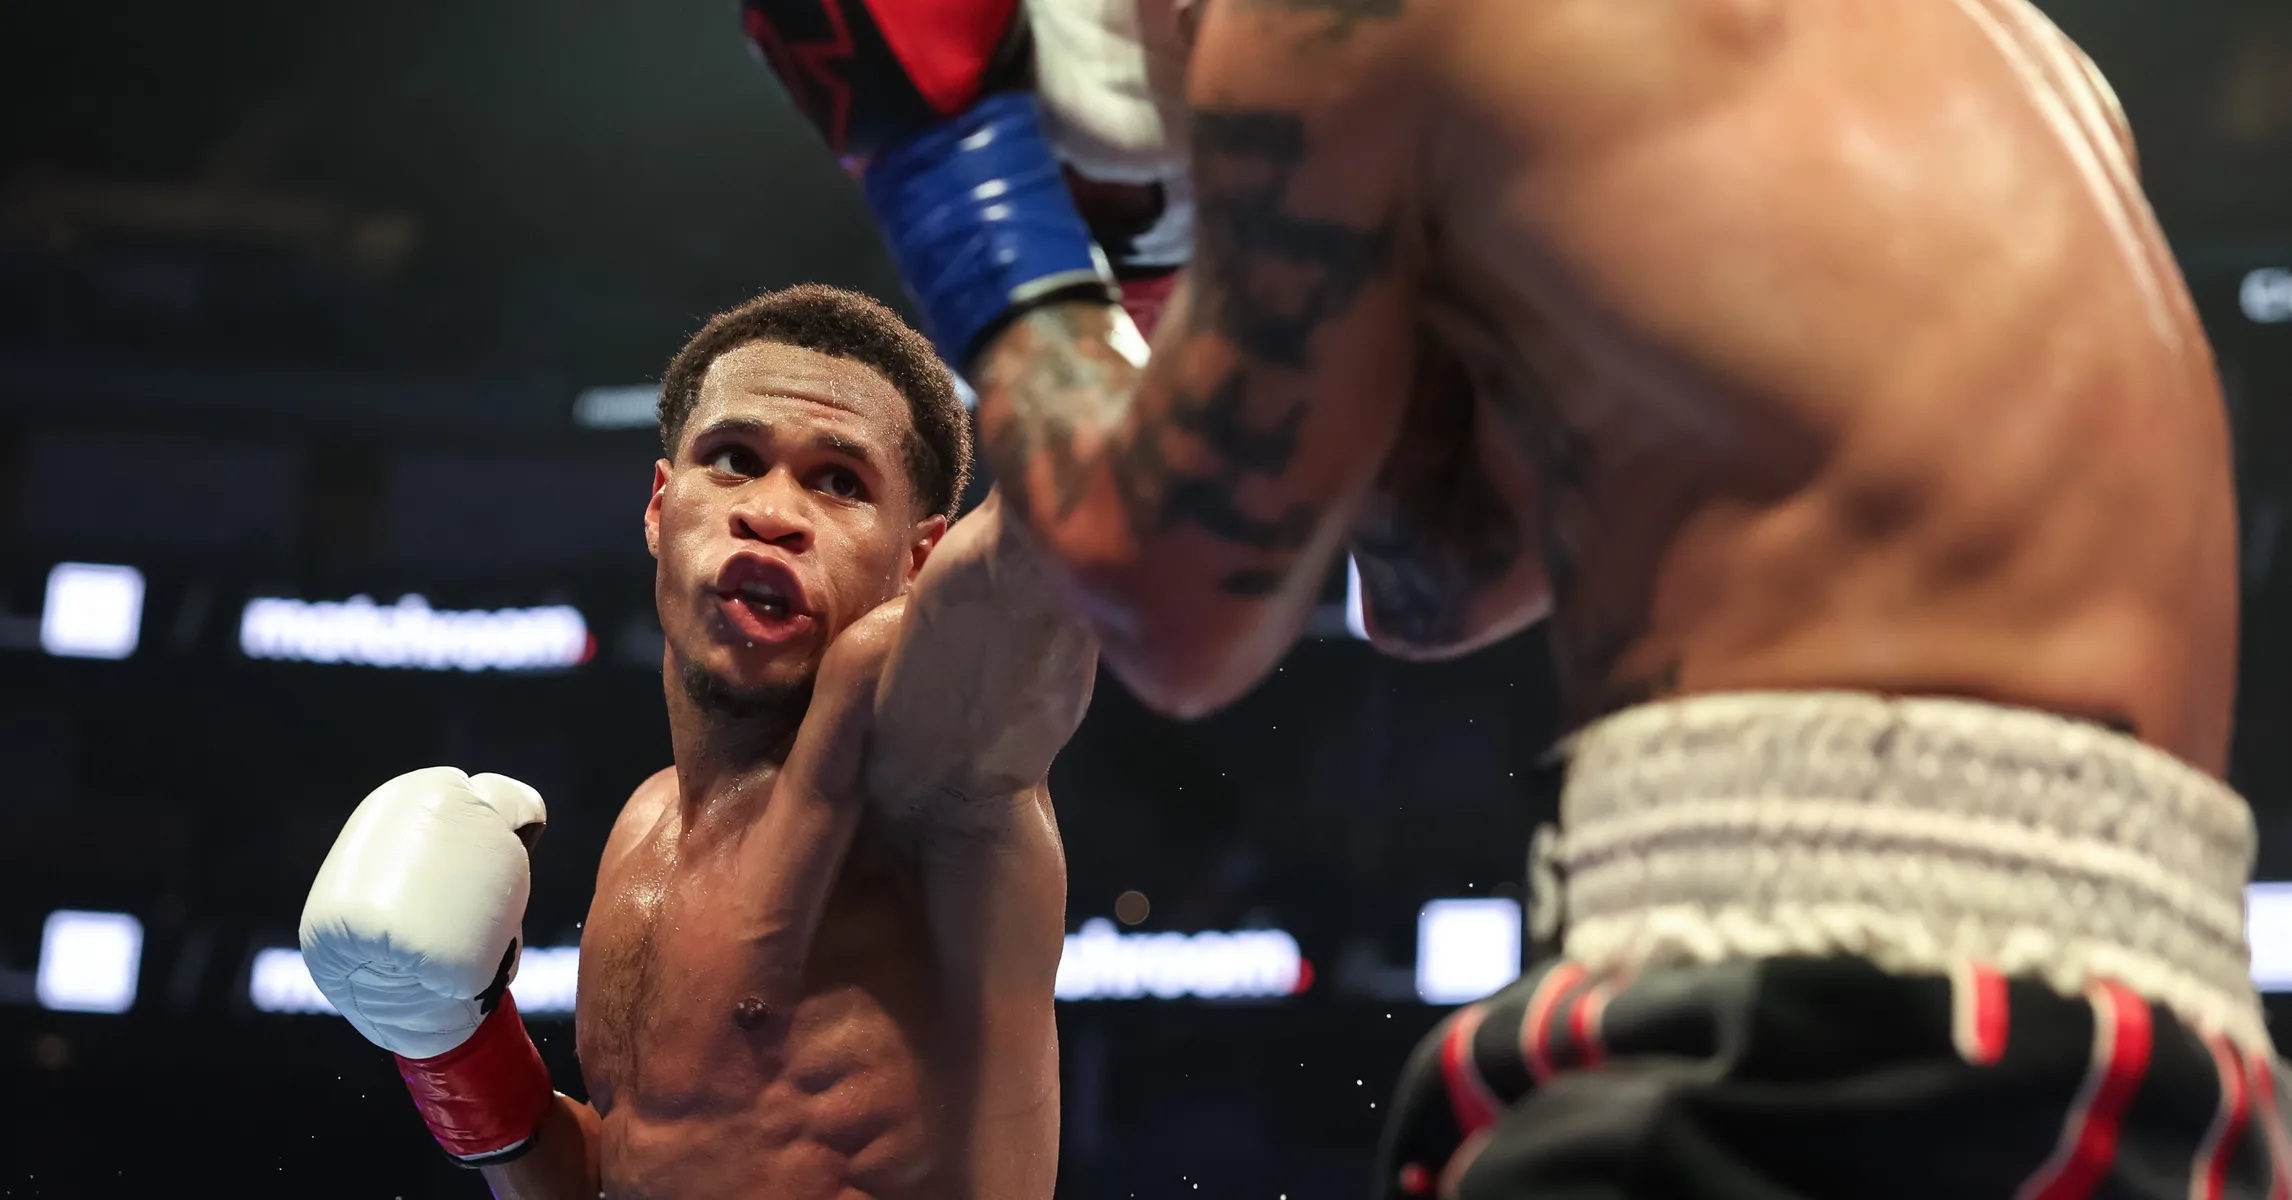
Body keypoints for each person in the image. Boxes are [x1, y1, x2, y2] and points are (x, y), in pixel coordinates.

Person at [739, 0, 2276, 1194]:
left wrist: (955, 164)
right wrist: (1179, 270)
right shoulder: (1980, 53)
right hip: (2148, 1026)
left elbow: (1179, 610)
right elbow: (1439, 577)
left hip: (1822, 1002)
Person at [299, 285, 1093, 1198]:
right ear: (659, 506)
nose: (773, 512)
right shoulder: (642, 833)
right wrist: (457, 1057)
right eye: (734, 460)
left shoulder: (917, 773)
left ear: (918, 560)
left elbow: (1031, 606)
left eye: (840, 481)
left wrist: (1102, 416)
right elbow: (639, 1170)